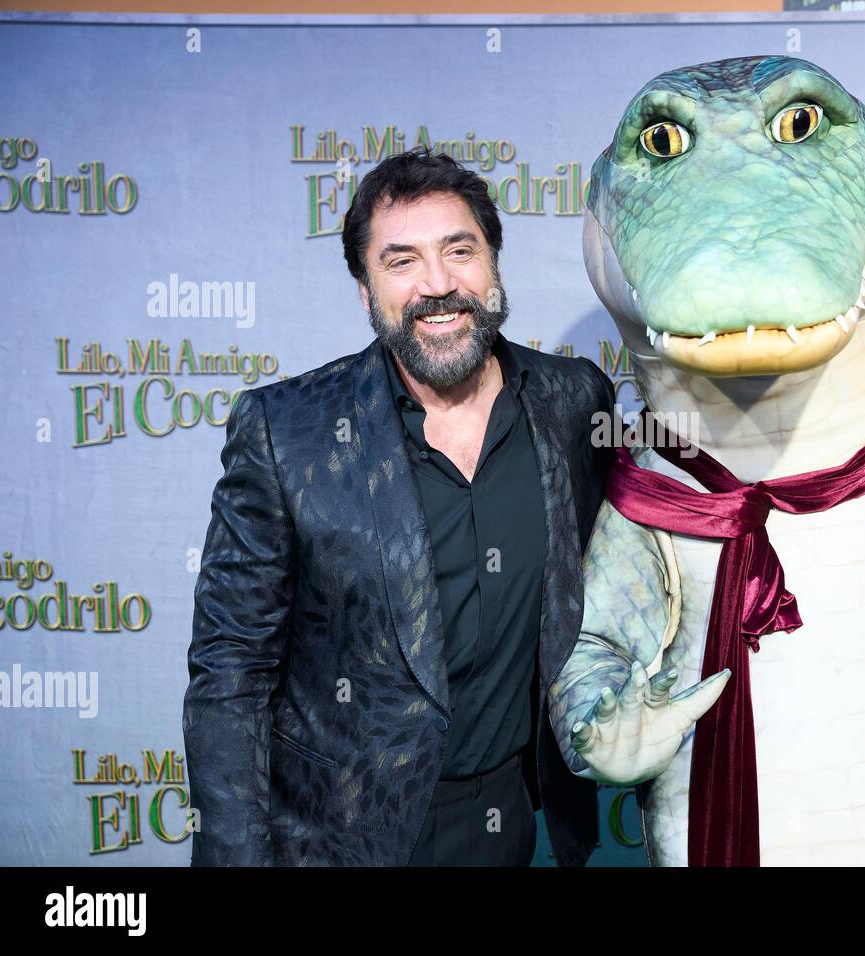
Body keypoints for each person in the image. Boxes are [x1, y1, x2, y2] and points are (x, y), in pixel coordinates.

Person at [183, 147, 610, 866]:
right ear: (365, 290)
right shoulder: (287, 432)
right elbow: (231, 673)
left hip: (511, 825)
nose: (437, 285)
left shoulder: (574, 402)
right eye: (401, 261)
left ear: (495, 263)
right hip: (339, 839)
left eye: (459, 250)